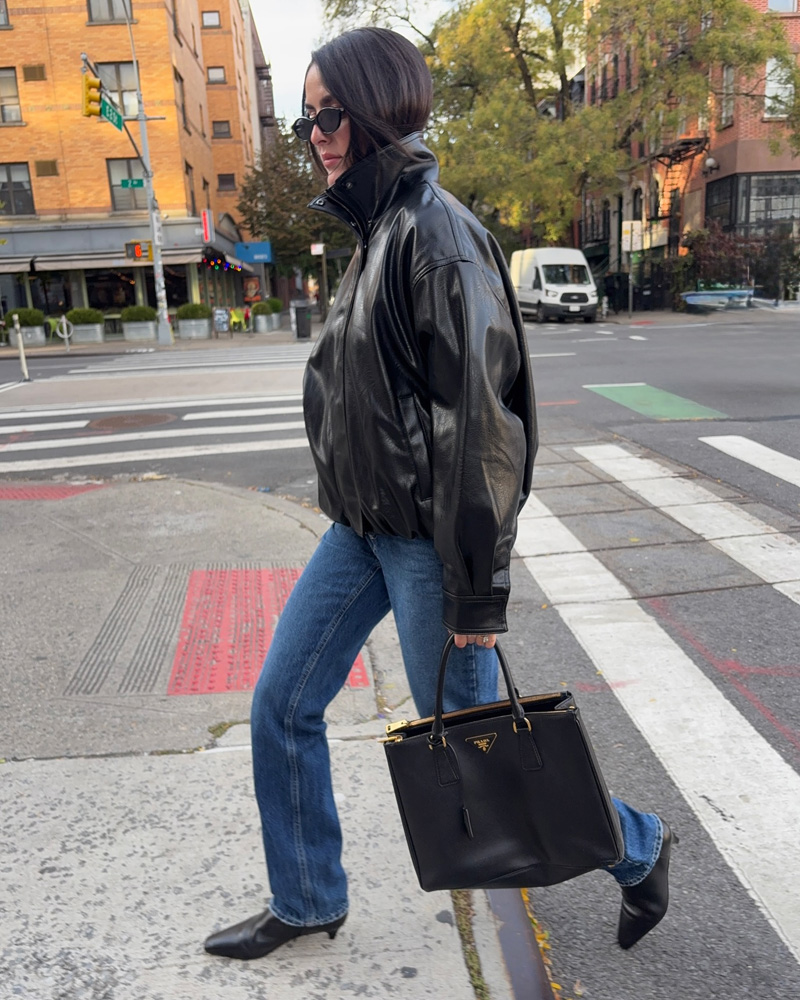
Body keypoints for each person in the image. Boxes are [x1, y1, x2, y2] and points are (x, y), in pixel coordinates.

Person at [204, 26, 672, 962]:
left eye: (329, 113)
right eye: (306, 119)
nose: (316, 134)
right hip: (360, 531)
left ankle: (637, 844)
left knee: (478, 750)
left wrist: (476, 596)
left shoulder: (438, 238)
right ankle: (305, 899)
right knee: (280, 704)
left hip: (427, 543)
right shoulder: (378, 231)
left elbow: (483, 432)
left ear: (379, 107)